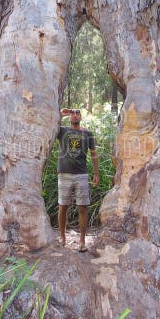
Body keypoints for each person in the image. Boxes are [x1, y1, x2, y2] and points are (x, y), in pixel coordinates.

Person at [57, 108, 99, 252]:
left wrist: (96, 173)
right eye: (72, 113)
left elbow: (93, 154)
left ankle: (82, 241)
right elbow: (51, 122)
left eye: (77, 113)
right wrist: (61, 113)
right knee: (63, 206)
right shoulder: (62, 131)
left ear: (81, 116)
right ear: (70, 117)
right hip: (64, 174)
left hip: (81, 174)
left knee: (82, 207)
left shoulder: (87, 134)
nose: (75, 115)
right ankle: (62, 237)